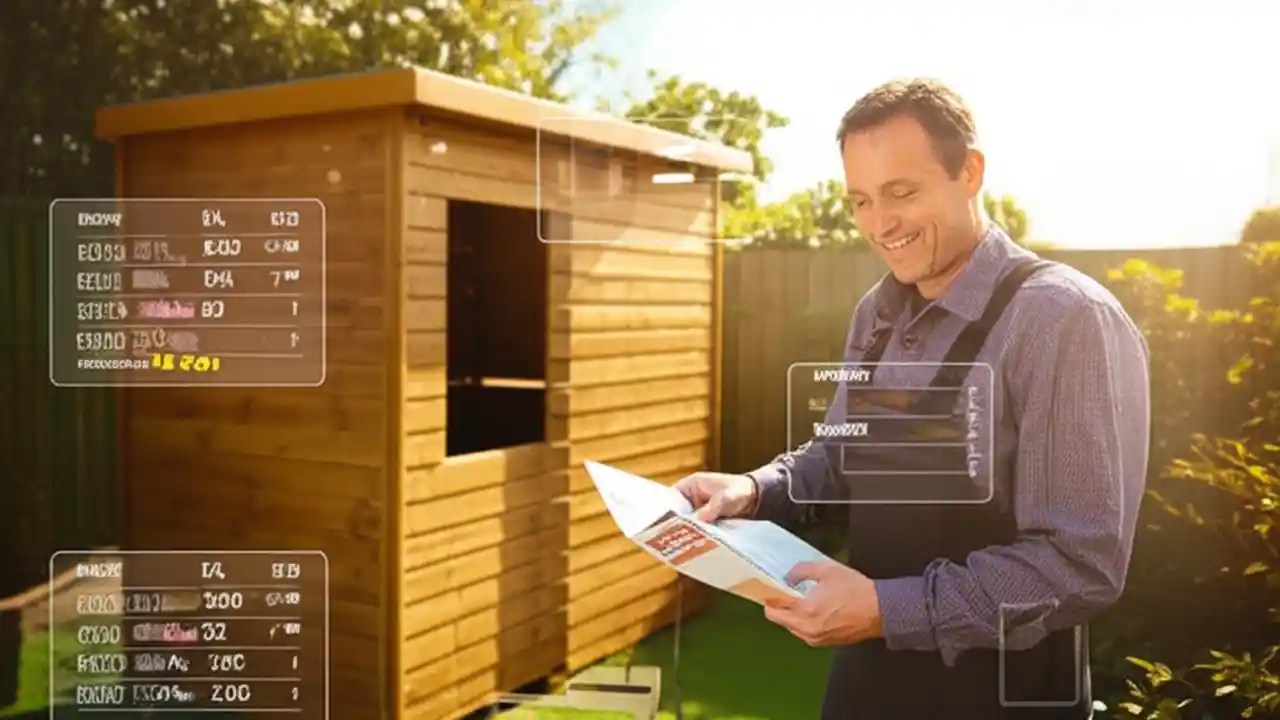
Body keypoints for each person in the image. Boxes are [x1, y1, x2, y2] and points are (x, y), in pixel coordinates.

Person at [675, 78, 1150, 719]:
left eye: (902, 193)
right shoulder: (878, 312)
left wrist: (884, 608)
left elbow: (1077, 562)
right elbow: (843, 455)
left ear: (970, 172)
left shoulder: (1063, 320)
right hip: (867, 689)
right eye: (861, 201)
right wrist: (754, 489)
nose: (880, 224)